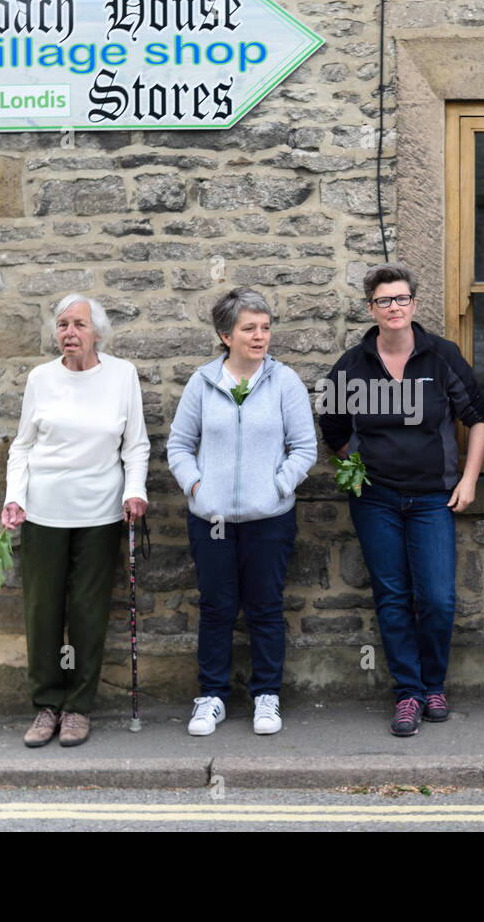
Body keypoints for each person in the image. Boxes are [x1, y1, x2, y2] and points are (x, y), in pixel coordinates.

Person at [319, 263, 484, 737]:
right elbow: (332, 426)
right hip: (375, 501)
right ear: (370, 308)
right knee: (392, 597)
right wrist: (355, 466)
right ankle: (408, 694)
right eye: (383, 300)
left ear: (414, 304)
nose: (393, 307)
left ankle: (434, 684)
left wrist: (469, 479)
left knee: (436, 598)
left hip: (434, 498)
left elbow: (477, 417)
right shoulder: (354, 366)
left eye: (401, 299)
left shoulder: (441, 356)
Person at [167, 288, 317, 737]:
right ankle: (211, 696)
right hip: (210, 519)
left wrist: (277, 486)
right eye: (249, 328)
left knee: (265, 608)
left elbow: (304, 448)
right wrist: (197, 486)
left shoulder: (284, 381)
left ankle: (266, 695)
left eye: (265, 328)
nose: (260, 336)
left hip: (268, 518)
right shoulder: (202, 381)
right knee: (216, 607)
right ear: (225, 335)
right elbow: (178, 445)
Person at [3, 295, 150, 749]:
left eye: (79, 324)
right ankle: (47, 705)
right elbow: (22, 446)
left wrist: (135, 489)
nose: (69, 332)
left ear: (97, 333)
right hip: (44, 511)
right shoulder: (41, 379)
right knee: (42, 611)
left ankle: (79, 708)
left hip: (101, 513)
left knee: (88, 612)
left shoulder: (122, 375)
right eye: (63, 324)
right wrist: (14, 497)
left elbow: (136, 446)